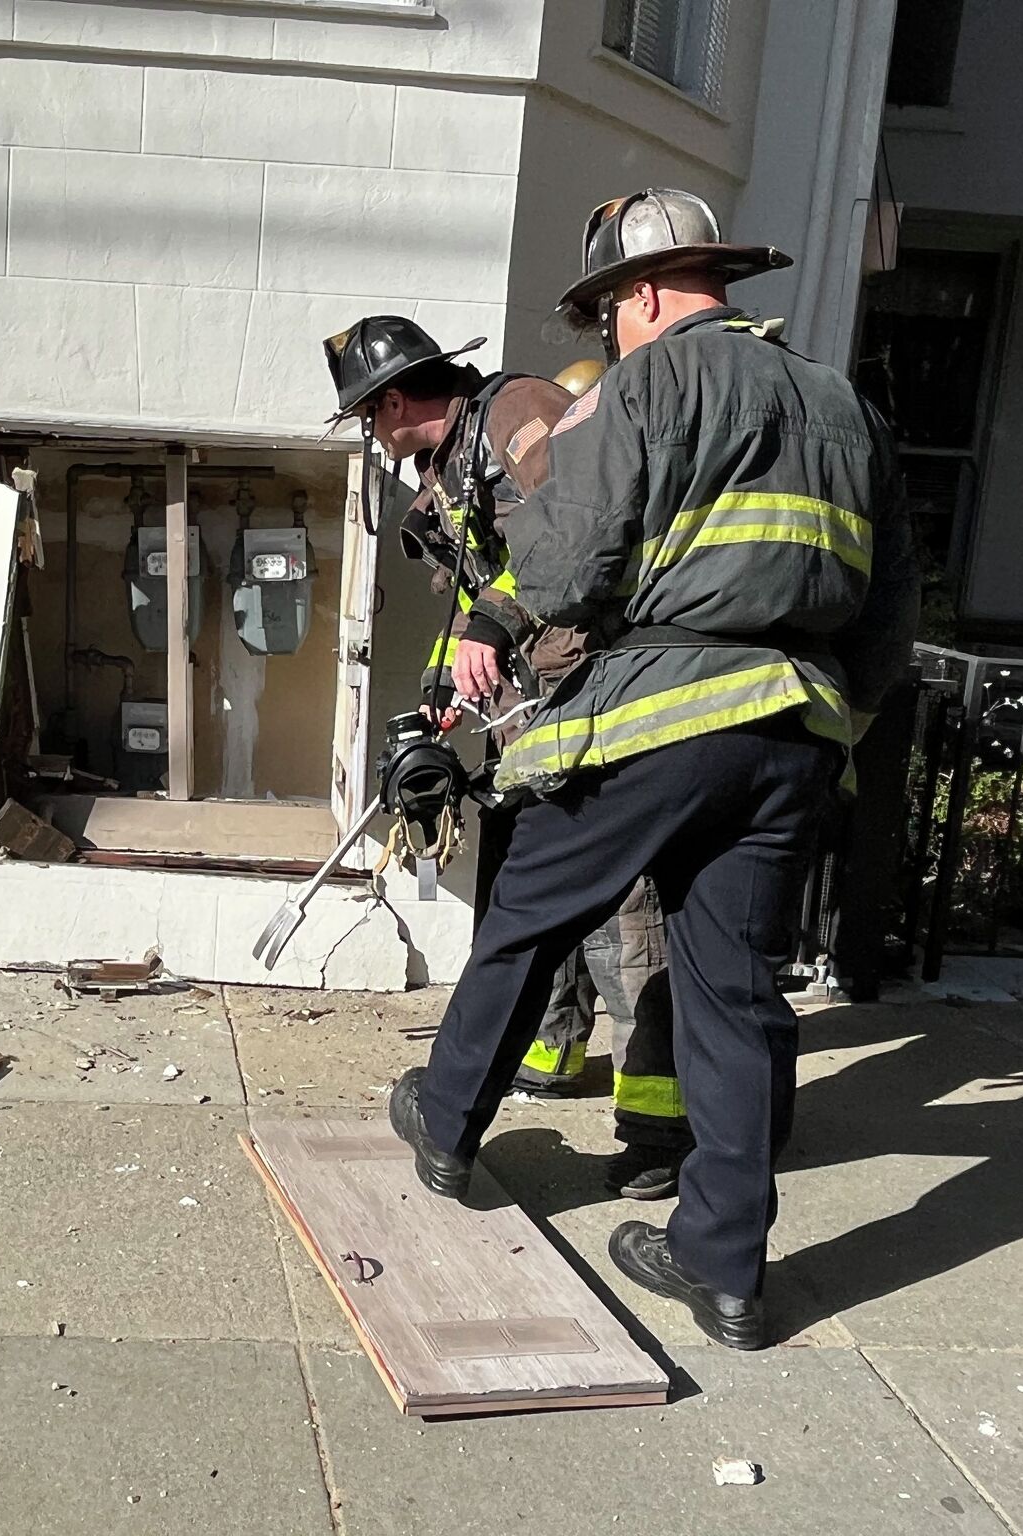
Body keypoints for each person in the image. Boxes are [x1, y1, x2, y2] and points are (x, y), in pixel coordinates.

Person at [385, 188, 919, 1350]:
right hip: (798, 730)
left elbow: (572, 564)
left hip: (662, 714)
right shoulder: (844, 407)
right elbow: (886, 620)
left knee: (529, 912)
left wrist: (492, 619)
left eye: (604, 313)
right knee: (734, 985)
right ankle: (721, 1267)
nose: (604, 338)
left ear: (637, 295)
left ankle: (443, 1120)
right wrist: (833, 723)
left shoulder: (643, 385)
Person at [320, 322, 691, 1199]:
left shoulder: (520, 413)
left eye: (367, 417)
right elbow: (479, 589)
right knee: (533, 876)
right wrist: (446, 681)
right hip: (527, 706)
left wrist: (498, 630)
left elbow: (589, 534)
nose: (372, 434)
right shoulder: (447, 469)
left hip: (591, 689)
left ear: (393, 402)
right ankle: (552, 1047)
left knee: (624, 901)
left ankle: (658, 1125)